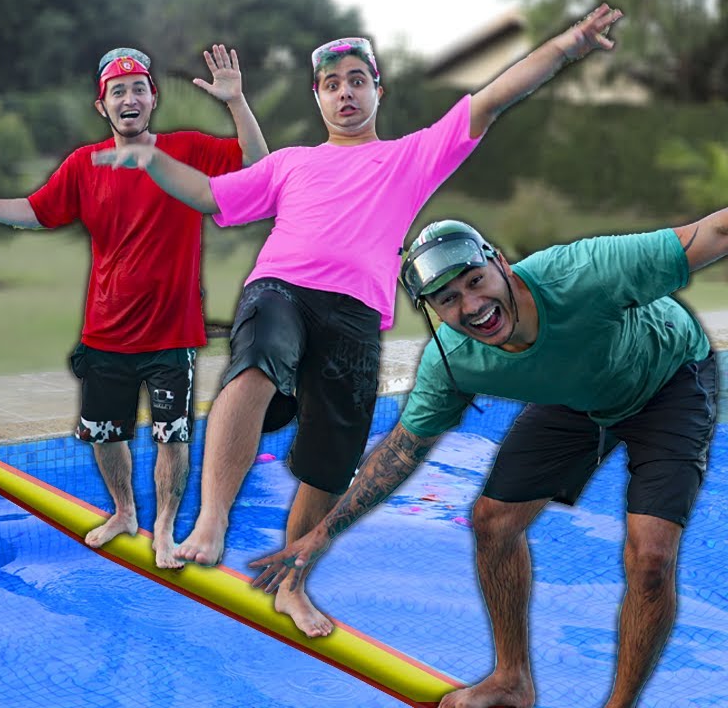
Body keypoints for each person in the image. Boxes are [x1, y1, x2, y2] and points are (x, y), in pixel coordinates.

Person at [93, 5, 624, 630]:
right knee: (256, 358)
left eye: (356, 80)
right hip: (281, 288)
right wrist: (151, 159)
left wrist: (564, 47)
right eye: (332, 84)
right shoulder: (291, 162)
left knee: (330, 458)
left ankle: (291, 581)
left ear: (377, 89)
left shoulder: (410, 156)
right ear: (318, 97)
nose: (345, 92)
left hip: (355, 318)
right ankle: (212, 517)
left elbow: (491, 100)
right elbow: (213, 197)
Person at [252, 212, 725, 708]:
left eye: (476, 281)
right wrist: (321, 534)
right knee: (493, 522)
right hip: (576, 399)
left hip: (669, 380)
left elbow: (714, 232)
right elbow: (400, 451)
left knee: (651, 558)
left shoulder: (583, 271)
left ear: (499, 263)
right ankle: (511, 679)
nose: (473, 307)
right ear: (431, 310)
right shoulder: (451, 361)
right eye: (448, 299)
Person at [0, 45, 269, 568]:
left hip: (173, 331)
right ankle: (125, 511)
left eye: (137, 88)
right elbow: (35, 211)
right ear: (101, 106)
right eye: (117, 91)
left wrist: (237, 101)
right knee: (106, 435)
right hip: (106, 331)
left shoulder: (186, 150)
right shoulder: (85, 165)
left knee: (173, 437)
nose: (128, 98)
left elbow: (257, 163)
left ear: (153, 98)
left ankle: (166, 530)